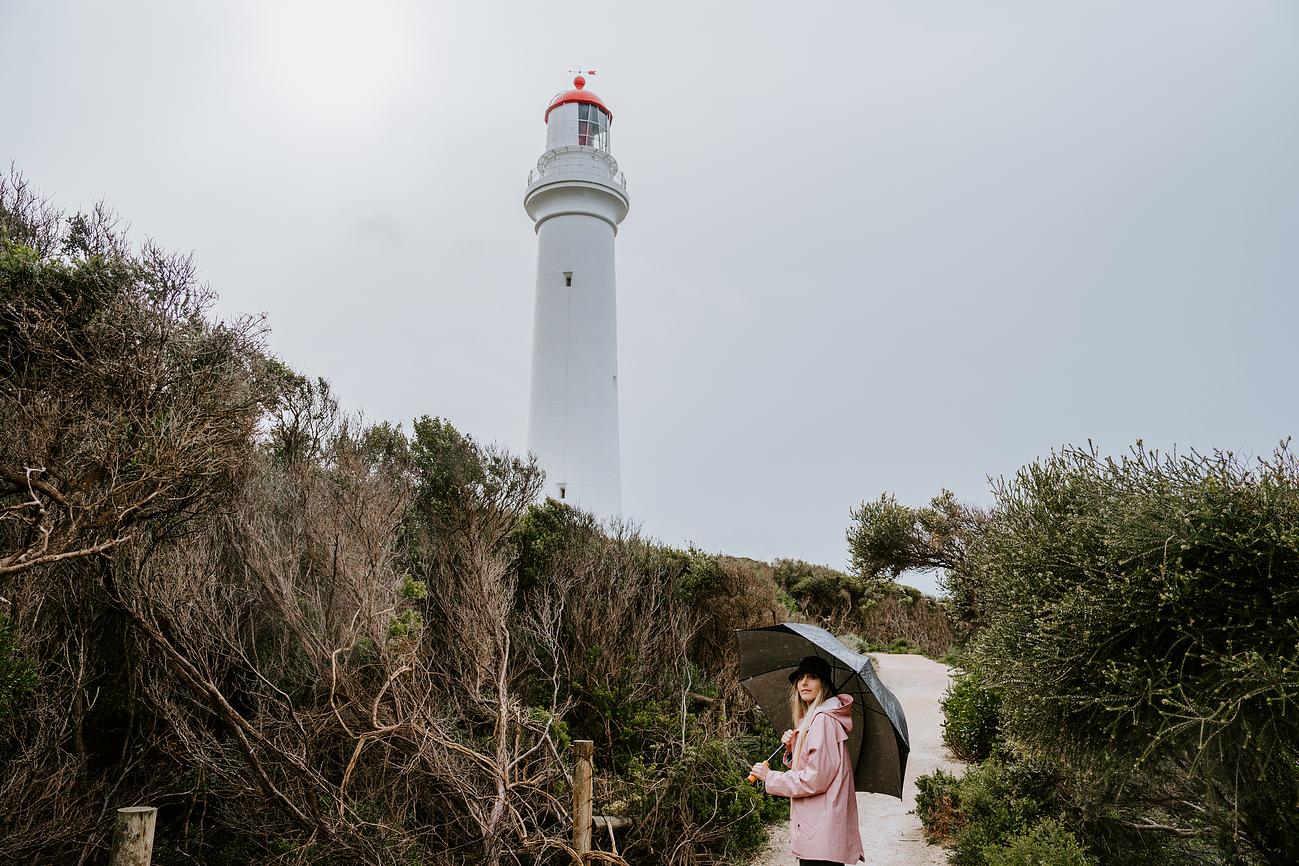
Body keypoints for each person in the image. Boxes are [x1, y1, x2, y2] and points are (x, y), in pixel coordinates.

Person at [750, 655, 864, 866]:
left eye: (812, 677)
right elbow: (816, 766)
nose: (804, 682)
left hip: (820, 829)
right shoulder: (816, 720)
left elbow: (815, 779)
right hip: (819, 827)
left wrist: (771, 777)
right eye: (801, 677)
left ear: (824, 684)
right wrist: (794, 748)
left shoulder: (822, 722)